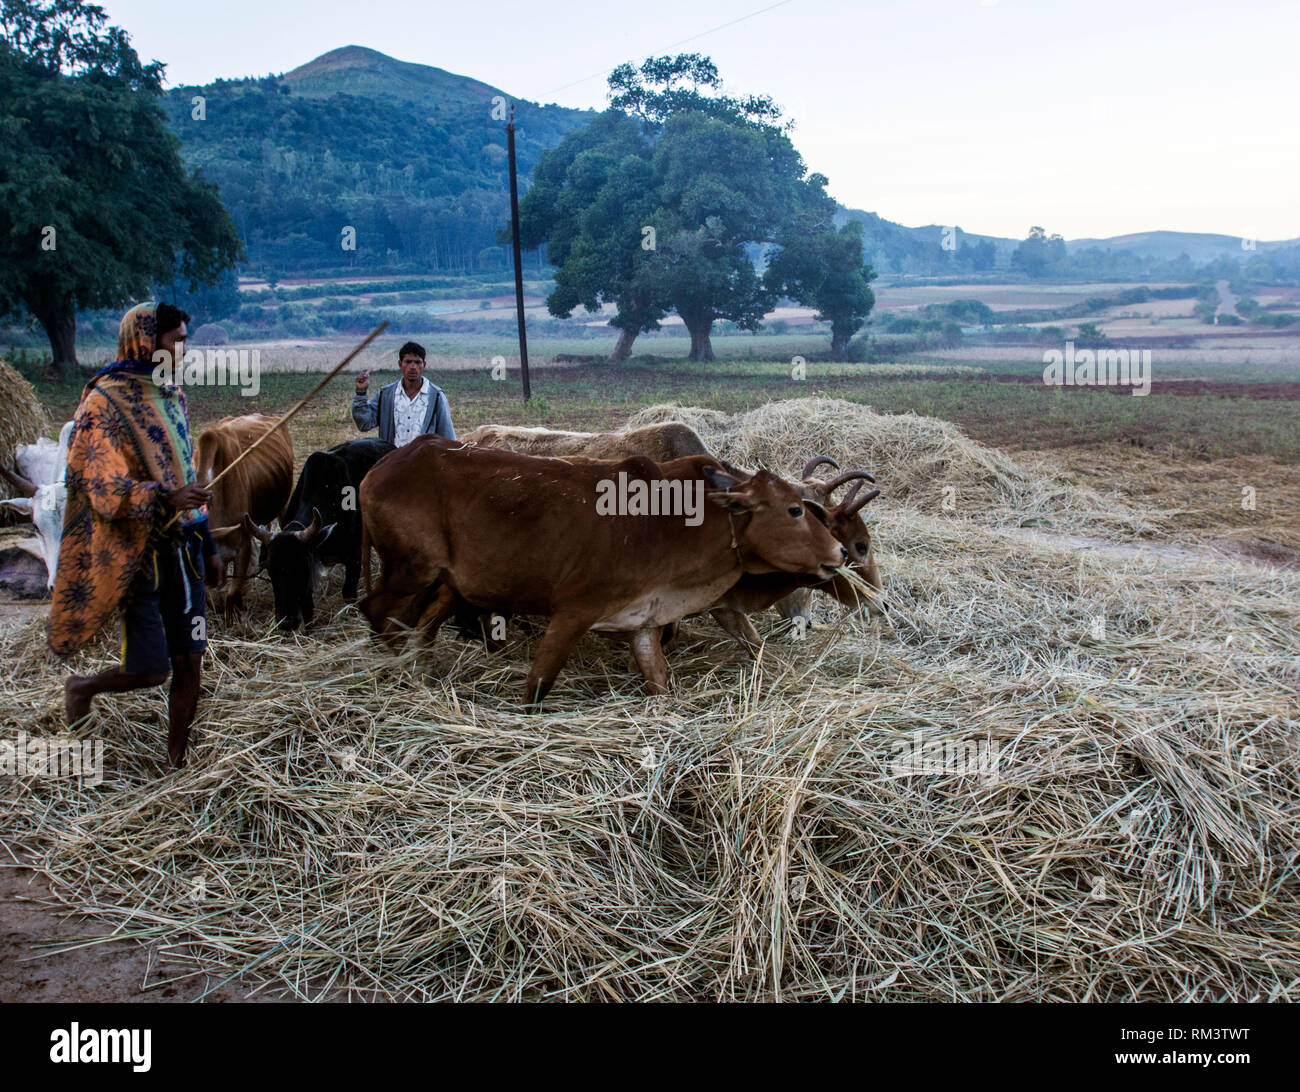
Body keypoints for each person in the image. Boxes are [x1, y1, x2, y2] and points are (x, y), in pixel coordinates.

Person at [48, 302, 225, 772]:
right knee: (151, 669)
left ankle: (175, 766)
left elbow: (186, 472)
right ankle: (82, 688)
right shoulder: (101, 404)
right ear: (145, 341)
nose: (184, 349)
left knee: (190, 663)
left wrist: (208, 544)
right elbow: (98, 486)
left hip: (184, 552)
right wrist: (164, 497)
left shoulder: (173, 397)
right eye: (176, 340)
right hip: (137, 554)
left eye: (186, 339)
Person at [351, 341, 455, 447]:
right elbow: (364, 424)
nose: (413, 367)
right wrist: (361, 393)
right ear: (400, 364)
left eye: (417, 362)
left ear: (424, 365)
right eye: (408, 362)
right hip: (392, 460)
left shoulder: (436, 396)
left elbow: (447, 435)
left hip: (424, 461)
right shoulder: (386, 395)